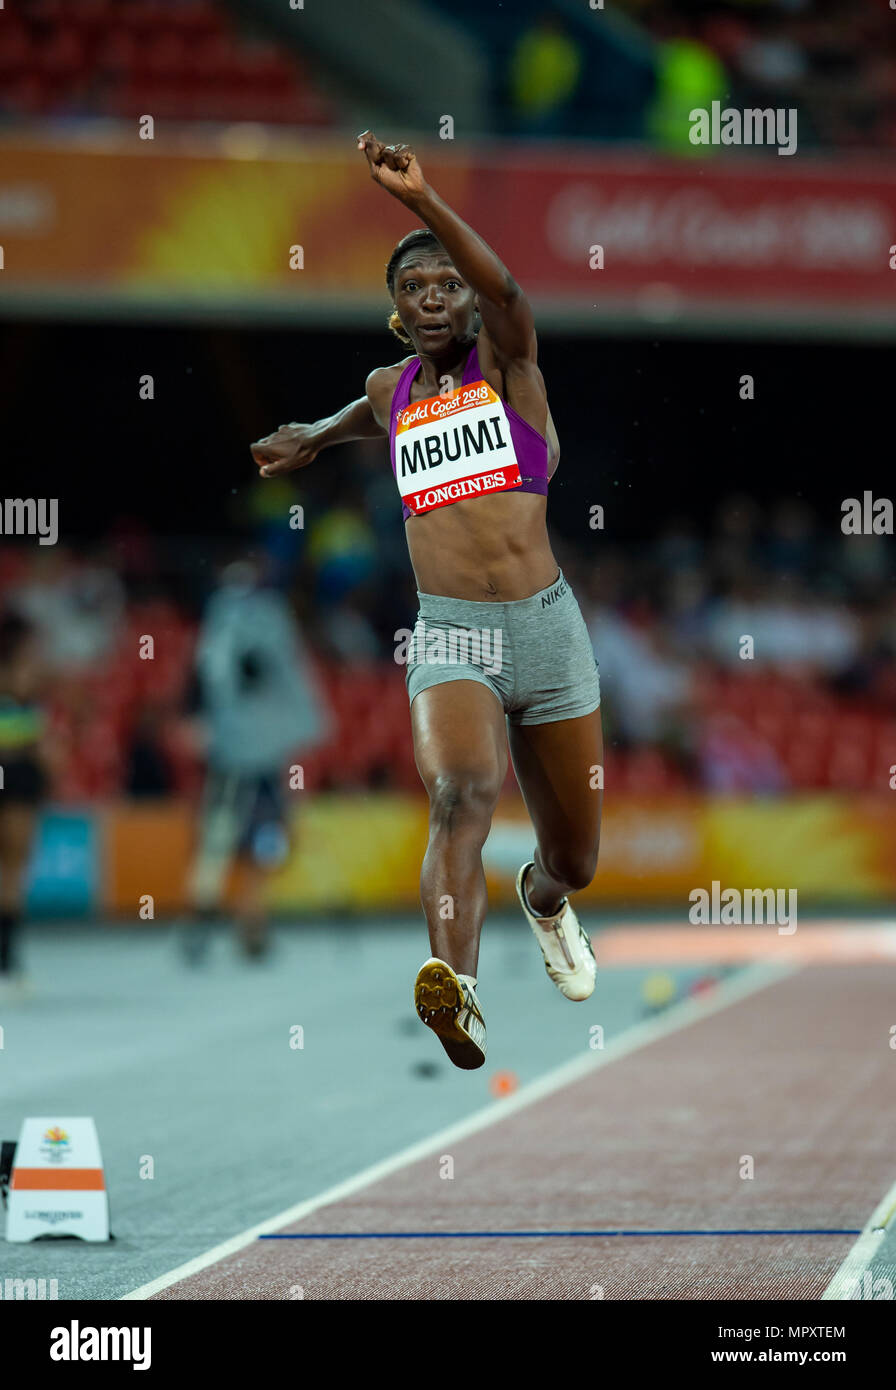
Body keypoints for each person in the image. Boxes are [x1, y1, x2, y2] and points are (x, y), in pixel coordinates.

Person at [250, 133, 603, 1070]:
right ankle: (463, 994)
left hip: (548, 628)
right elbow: (370, 412)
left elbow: (512, 294)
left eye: (450, 283)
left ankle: (546, 900)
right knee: (458, 796)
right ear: (398, 315)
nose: (437, 296)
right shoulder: (391, 388)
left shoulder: (510, 366)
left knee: (576, 857)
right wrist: (315, 439)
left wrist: (423, 203)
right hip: (454, 634)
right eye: (417, 289)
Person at [182, 559, 328, 962]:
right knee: (221, 841)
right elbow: (206, 684)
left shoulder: (249, 633)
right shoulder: (226, 638)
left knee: (260, 845)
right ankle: (206, 920)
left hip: (258, 760)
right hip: (234, 761)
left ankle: (250, 922)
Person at [0, 612, 51, 999]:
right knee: (12, 870)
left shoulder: (30, 690)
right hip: (13, 776)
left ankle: (8, 957)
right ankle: (8, 959)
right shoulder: (19, 682)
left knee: (14, 870)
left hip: (19, 780)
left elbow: (37, 739)